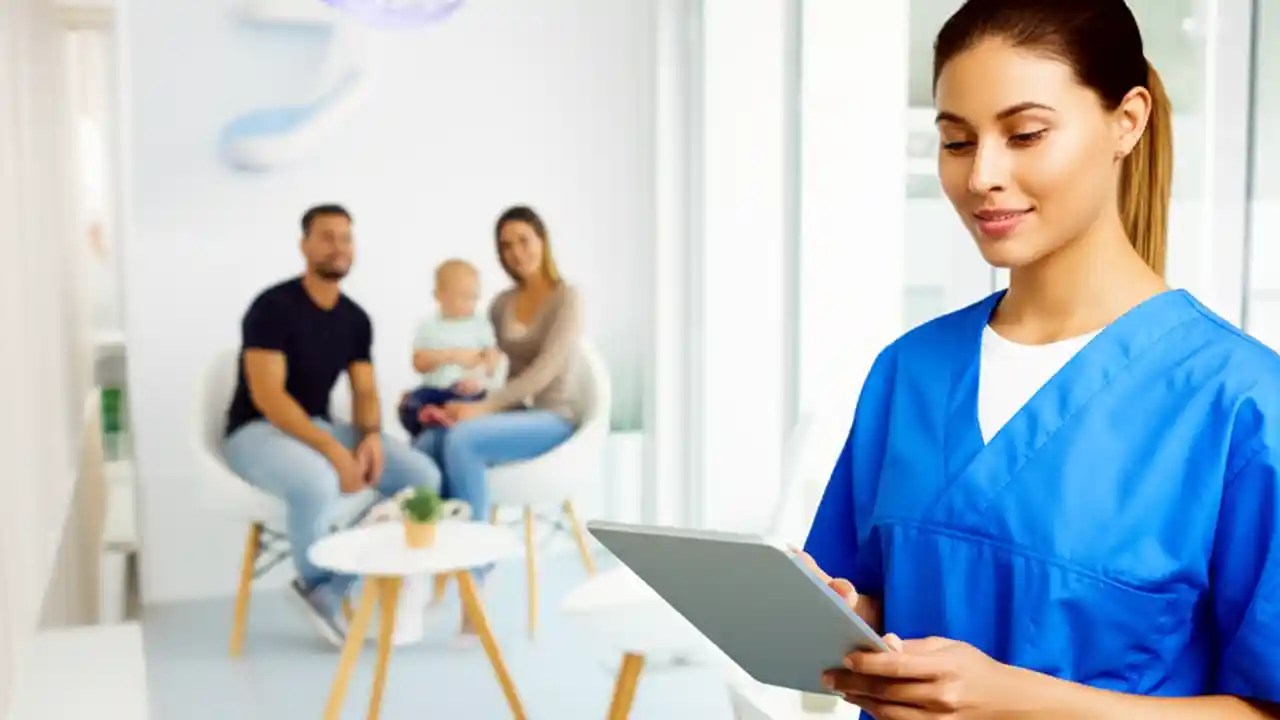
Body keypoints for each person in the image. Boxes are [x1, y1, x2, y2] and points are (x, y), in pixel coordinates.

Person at [801, 1, 1280, 717]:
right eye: (957, 143)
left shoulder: (1239, 401)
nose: (982, 175)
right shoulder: (909, 372)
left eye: (1025, 134)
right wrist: (852, 617)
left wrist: (1013, 699)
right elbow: (877, 595)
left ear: (1129, 120)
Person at [222, 203, 443, 648]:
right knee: (318, 479)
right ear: (304, 246)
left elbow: (364, 391)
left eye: (345, 237)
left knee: (423, 475)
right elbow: (269, 397)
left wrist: (370, 439)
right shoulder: (272, 307)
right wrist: (334, 450)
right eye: (326, 236)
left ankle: (343, 582)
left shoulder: (355, 319)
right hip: (257, 431)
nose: (338, 246)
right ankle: (319, 587)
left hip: (317, 424)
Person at [412, 205, 581, 531]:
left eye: (523, 240)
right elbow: (481, 358)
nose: (516, 252)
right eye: (506, 245)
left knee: (462, 439)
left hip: (553, 419)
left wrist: (484, 407)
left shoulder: (568, 298)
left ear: (542, 240)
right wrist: (454, 387)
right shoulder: (502, 303)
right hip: (512, 411)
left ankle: (473, 557)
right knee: (428, 440)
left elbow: (543, 372)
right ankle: (433, 541)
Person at [398, 259, 500, 436]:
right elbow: (418, 363)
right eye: (463, 296)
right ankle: (433, 416)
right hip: (434, 390)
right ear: (439, 295)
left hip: (466, 391)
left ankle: (449, 417)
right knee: (409, 403)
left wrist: (478, 381)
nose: (470, 302)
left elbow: (492, 358)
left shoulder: (479, 324)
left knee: (480, 402)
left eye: (473, 296)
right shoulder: (428, 326)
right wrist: (449, 356)